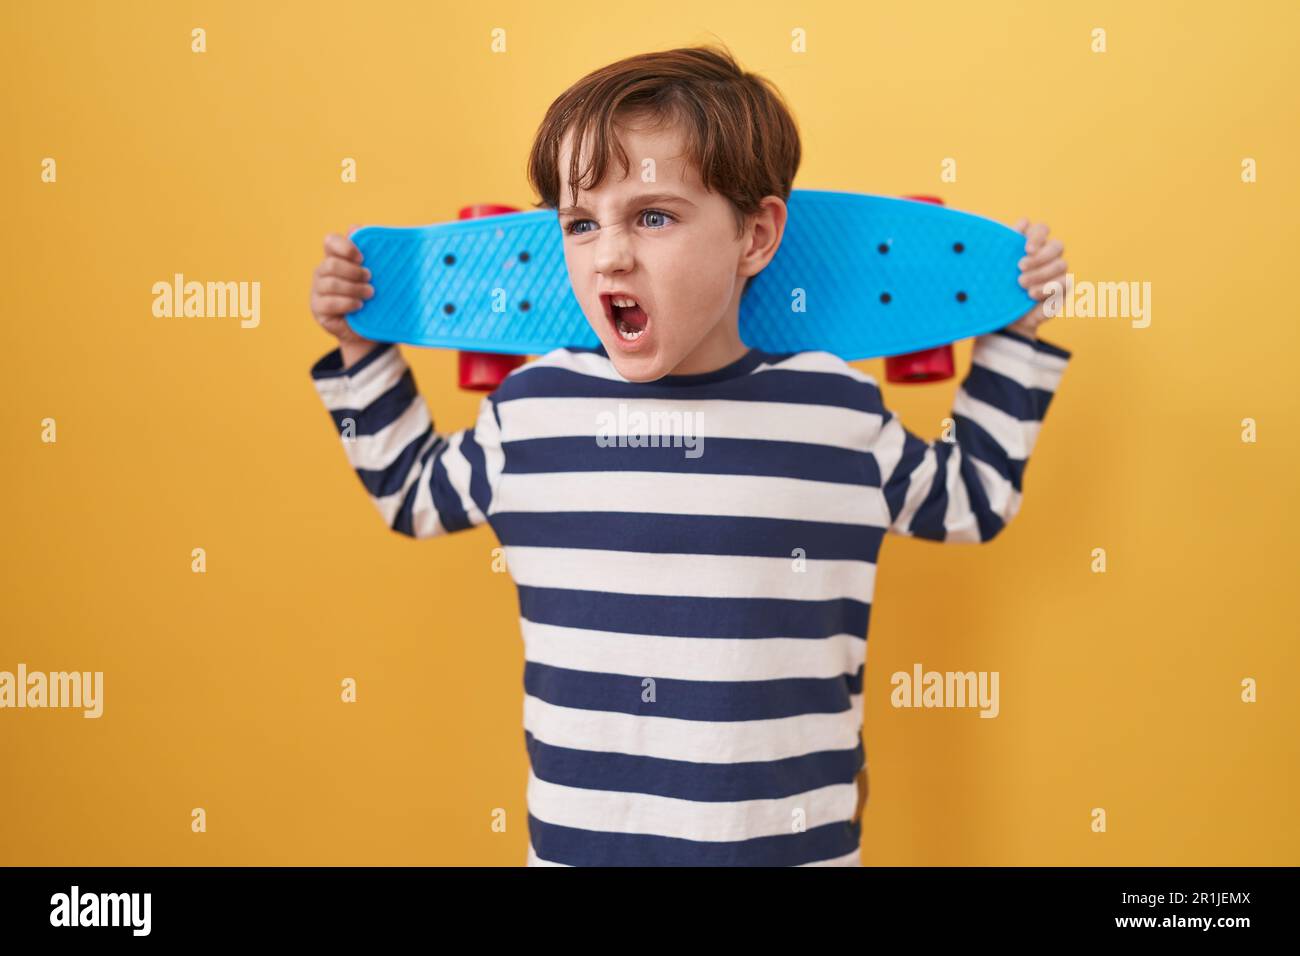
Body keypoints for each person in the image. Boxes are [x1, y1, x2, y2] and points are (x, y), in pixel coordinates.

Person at [307, 45, 1072, 866]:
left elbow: (971, 499)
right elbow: (413, 491)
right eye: (580, 223)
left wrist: (1013, 333)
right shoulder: (535, 411)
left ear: (756, 235)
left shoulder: (833, 409)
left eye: (653, 217)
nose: (609, 255)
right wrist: (361, 350)